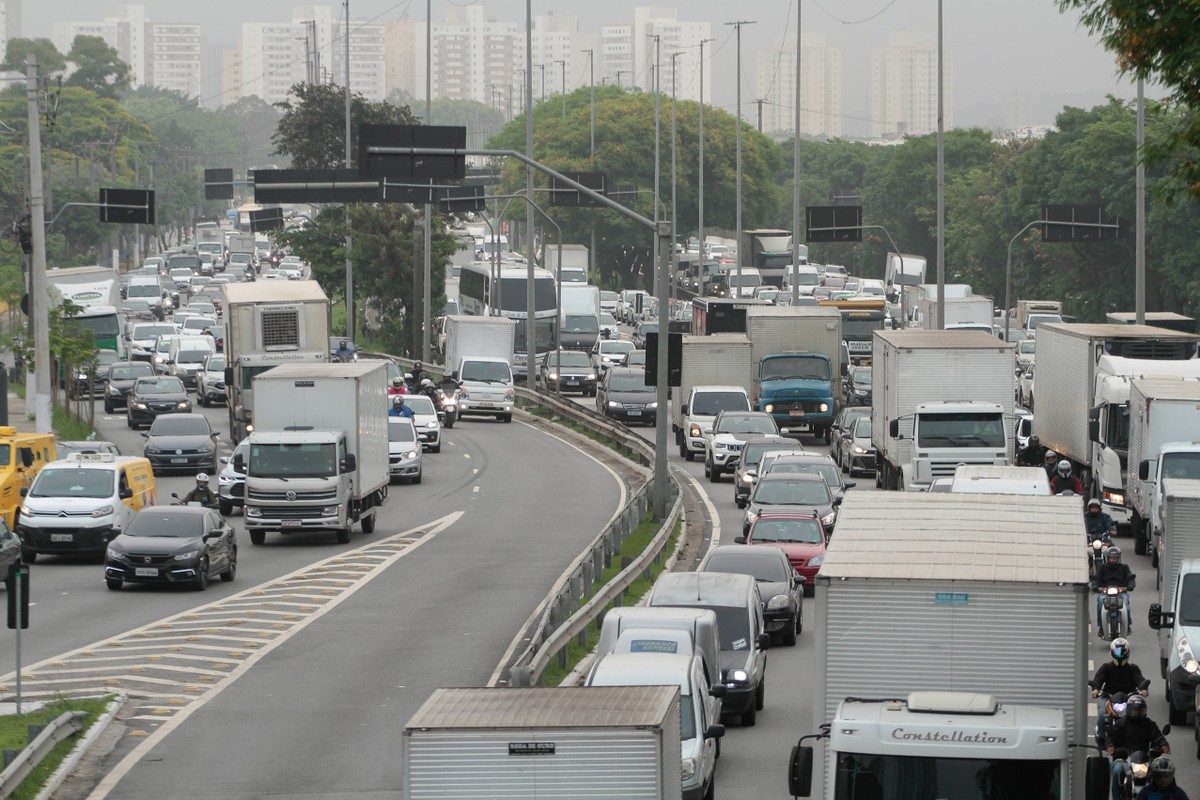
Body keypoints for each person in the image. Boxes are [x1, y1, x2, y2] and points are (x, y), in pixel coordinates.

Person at [1105, 694, 1170, 800]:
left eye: (1140, 710)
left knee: (1162, 772)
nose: (1137, 712)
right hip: (1124, 758)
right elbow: (1111, 736)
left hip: (1145, 757)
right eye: (1135, 710)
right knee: (1117, 771)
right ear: (1129, 710)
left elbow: (1158, 736)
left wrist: (1164, 745)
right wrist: (1110, 746)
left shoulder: (1149, 724)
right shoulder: (1121, 723)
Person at [1090, 638, 1149, 743]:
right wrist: (1095, 689)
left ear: (1128, 652)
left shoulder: (1133, 668)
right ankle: (1102, 738)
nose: (1120, 655)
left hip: (1128, 698)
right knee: (1101, 714)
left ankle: (1142, 738)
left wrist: (1143, 689)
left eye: (1123, 652)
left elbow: (1139, 679)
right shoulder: (1106, 667)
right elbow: (1098, 679)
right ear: (1112, 652)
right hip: (1109, 698)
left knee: (1140, 714)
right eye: (1117, 652)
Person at [1093, 546, 1136, 636]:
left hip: (1121, 592)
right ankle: (1101, 626)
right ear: (1108, 558)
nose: (1113, 560)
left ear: (1119, 558)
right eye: (1111, 558)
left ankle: (1128, 625)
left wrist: (1130, 585)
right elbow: (1096, 579)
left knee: (1126, 604)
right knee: (1101, 603)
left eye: (1115, 558)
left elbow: (1130, 577)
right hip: (1105, 592)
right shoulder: (1102, 568)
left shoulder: (1124, 568)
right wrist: (1095, 586)